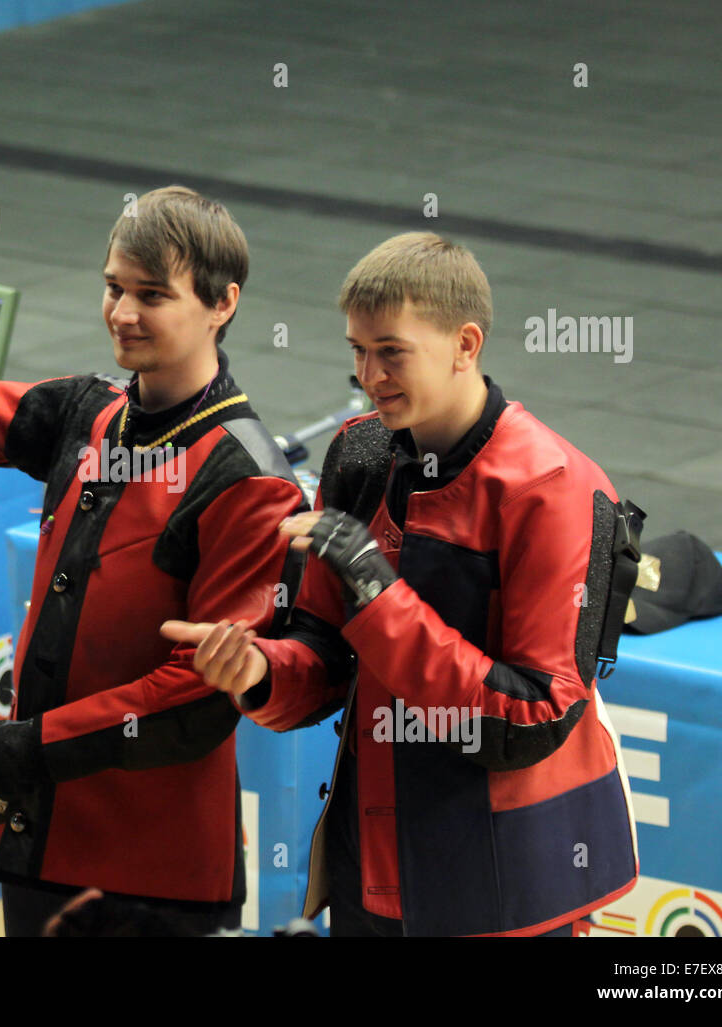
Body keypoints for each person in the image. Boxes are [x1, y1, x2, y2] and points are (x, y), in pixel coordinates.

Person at [164, 231, 640, 937]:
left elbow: (532, 717)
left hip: (507, 889)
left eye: (392, 351)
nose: (370, 374)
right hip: (371, 871)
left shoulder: (555, 490)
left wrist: (376, 592)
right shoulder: (359, 456)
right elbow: (322, 656)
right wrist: (262, 671)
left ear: (466, 343)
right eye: (357, 351)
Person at [0, 187, 306, 936]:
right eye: (113, 288)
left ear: (222, 303)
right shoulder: (85, 410)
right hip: (43, 841)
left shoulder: (252, 481)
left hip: (156, 876)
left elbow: (196, 697)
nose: (122, 313)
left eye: (152, 295)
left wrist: (32, 747)